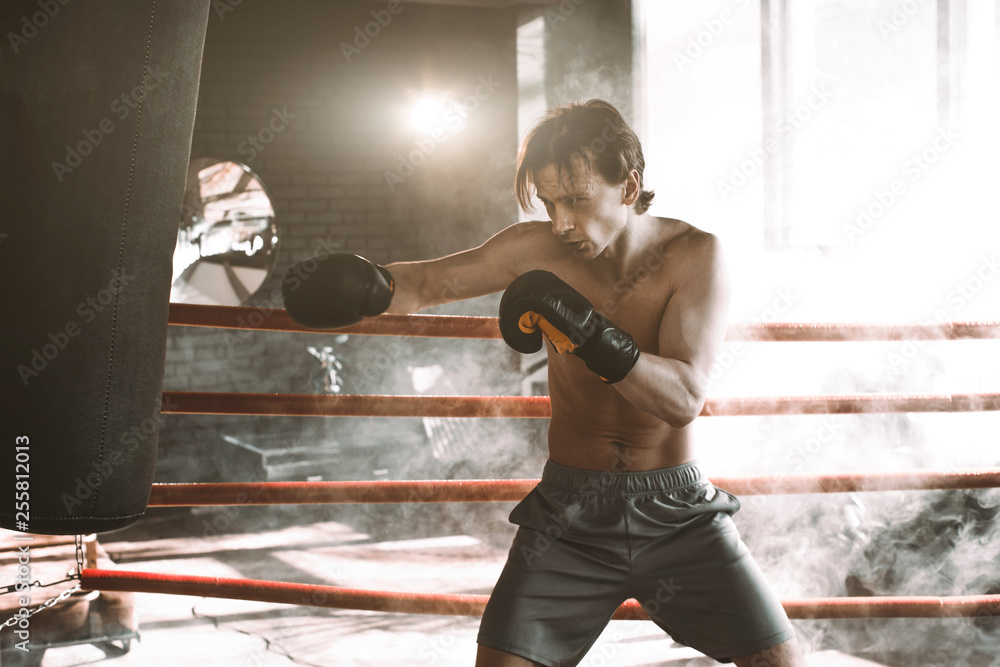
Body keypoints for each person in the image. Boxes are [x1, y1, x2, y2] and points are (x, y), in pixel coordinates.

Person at [281, 99, 805, 666]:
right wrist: (365, 286)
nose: (561, 224)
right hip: (569, 518)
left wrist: (583, 328)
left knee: (782, 664)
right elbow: (430, 282)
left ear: (628, 186)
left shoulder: (693, 256)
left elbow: (682, 398)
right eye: (550, 203)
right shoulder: (538, 250)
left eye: (577, 201)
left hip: (676, 514)